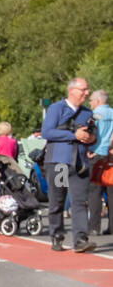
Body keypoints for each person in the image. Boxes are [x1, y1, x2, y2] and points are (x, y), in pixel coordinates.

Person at [41, 77, 97, 252]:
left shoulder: (87, 113)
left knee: (80, 202)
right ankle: (57, 236)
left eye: (87, 90)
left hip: (79, 164)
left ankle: (80, 240)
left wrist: (91, 139)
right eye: (84, 90)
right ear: (72, 91)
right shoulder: (56, 108)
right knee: (57, 201)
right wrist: (74, 135)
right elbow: (47, 132)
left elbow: (94, 136)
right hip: (60, 164)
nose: (87, 93)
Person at [87, 89, 112, 237]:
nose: (89, 103)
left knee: (94, 192)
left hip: (97, 155)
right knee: (111, 192)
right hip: (111, 155)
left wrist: (91, 149)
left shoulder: (95, 115)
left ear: (97, 101)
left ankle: (94, 227)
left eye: (90, 100)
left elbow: (92, 133)